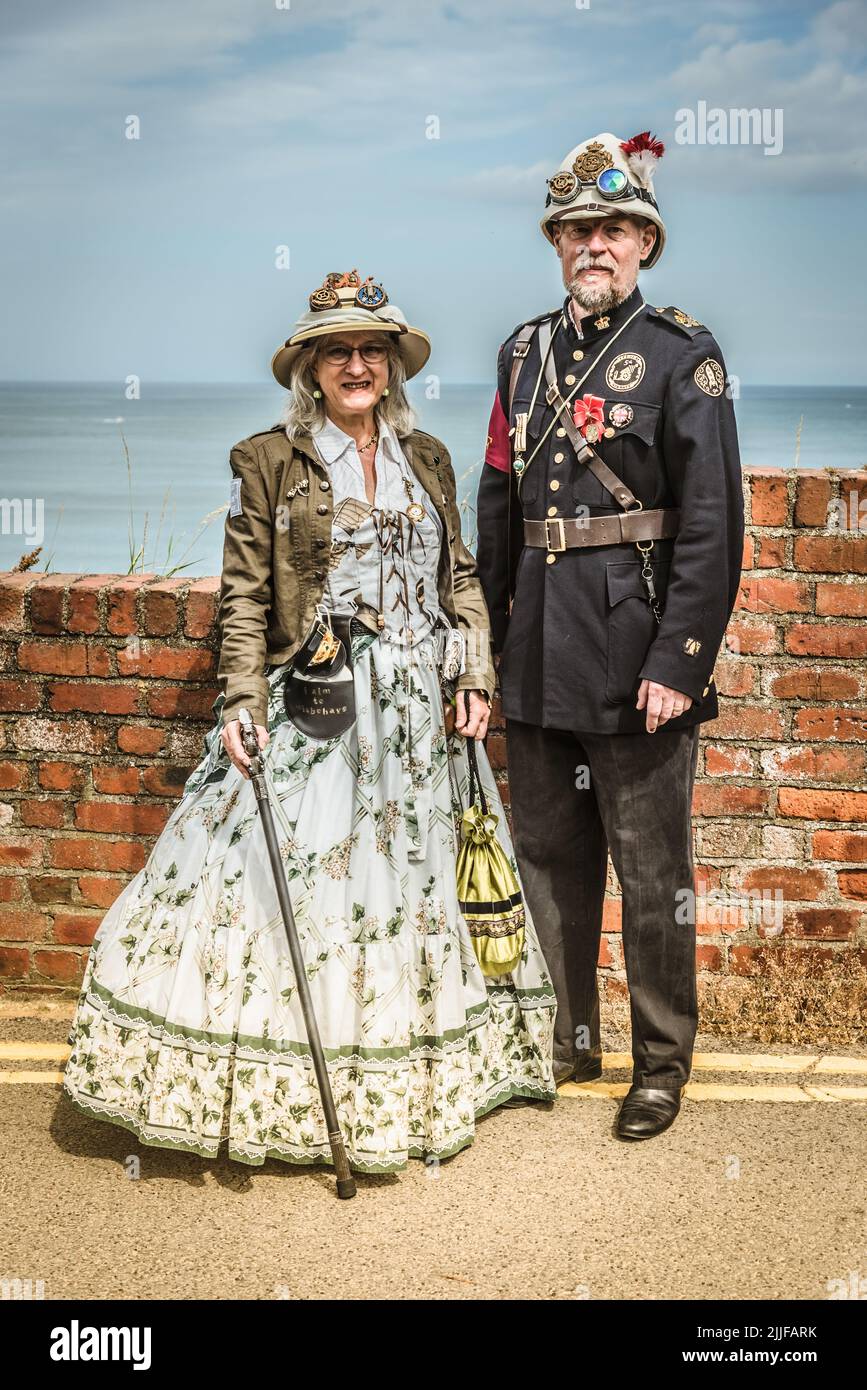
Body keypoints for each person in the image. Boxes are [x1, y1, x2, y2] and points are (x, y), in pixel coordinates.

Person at [62, 269, 556, 1175]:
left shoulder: (429, 456)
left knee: (404, 893)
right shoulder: (270, 461)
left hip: (418, 713)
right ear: (311, 369)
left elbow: (457, 578)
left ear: (392, 365)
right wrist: (241, 701)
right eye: (338, 351)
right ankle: (281, 1083)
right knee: (291, 883)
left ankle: (405, 1080)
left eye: (371, 349)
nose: (357, 364)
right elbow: (246, 598)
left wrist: (473, 668)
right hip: (321, 702)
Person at [475, 133, 745, 1139]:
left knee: (653, 873)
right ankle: (566, 1042)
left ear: (644, 241)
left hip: (637, 659)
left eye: (613, 229)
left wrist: (680, 659)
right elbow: (500, 502)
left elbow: (713, 520)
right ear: (557, 244)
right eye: (576, 229)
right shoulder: (519, 352)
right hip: (540, 647)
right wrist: (490, 647)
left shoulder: (683, 353)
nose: (593, 244)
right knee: (549, 858)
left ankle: (661, 1063)